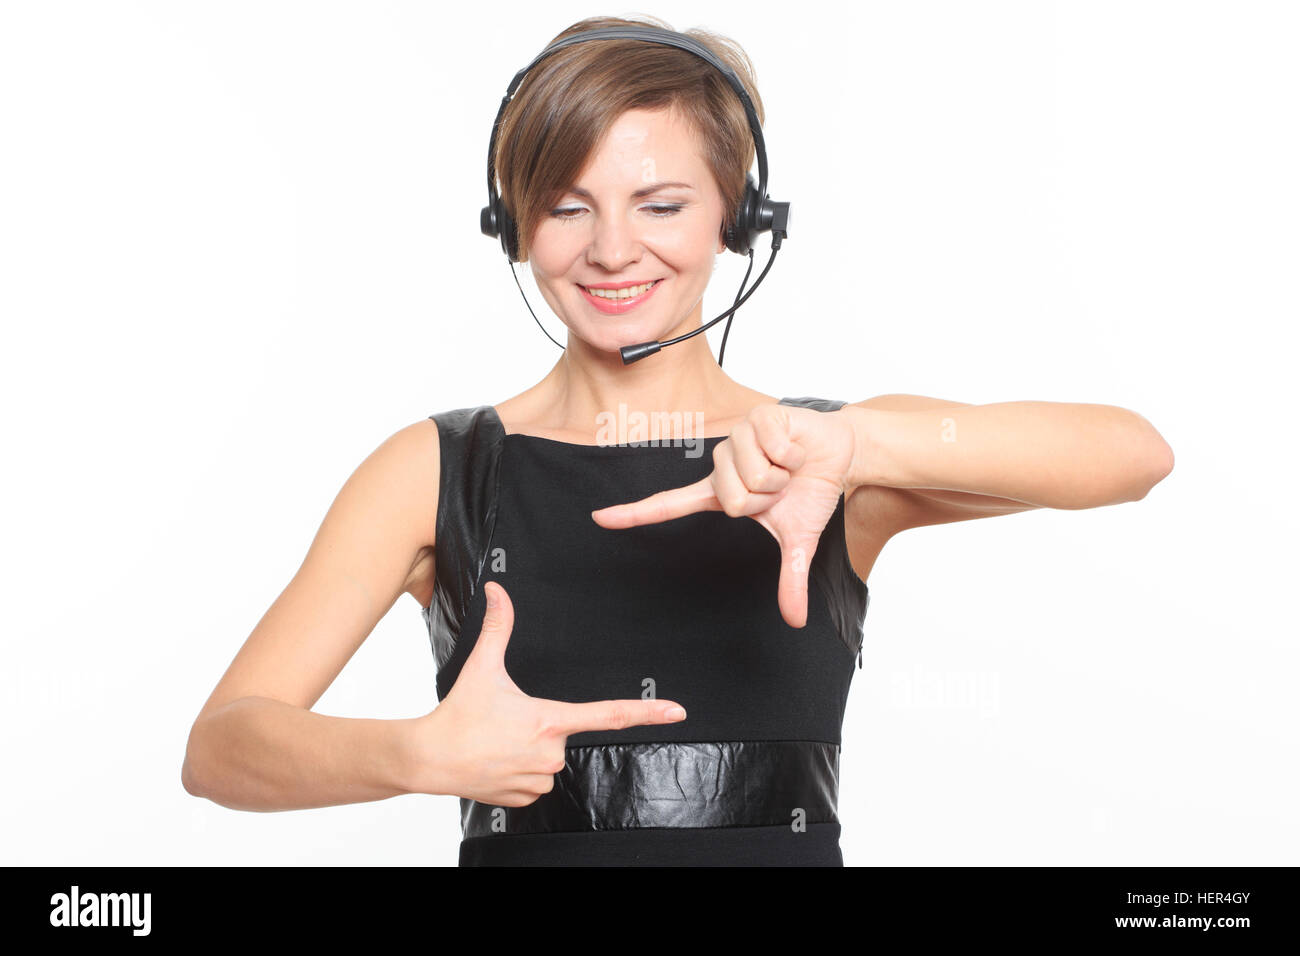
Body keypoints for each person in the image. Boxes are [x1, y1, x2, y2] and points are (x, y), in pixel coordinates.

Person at [180, 15, 1174, 866]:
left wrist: (858, 443)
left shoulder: (823, 454)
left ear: (737, 218)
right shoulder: (438, 469)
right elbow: (223, 746)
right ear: (513, 224)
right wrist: (418, 753)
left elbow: (1132, 454)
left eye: (660, 205)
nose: (612, 248)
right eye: (569, 207)